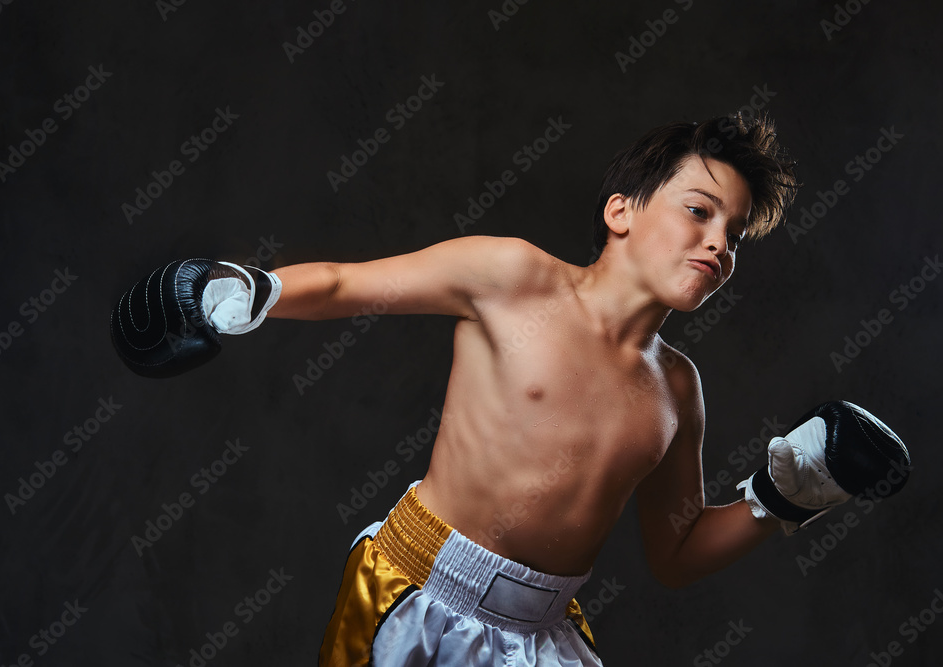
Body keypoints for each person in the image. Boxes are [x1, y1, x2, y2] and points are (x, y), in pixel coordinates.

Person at [110, 113, 911, 666]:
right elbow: (349, 282)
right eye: (700, 212)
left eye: (732, 236)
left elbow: (673, 552)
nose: (717, 244)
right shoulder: (513, 275)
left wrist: (787, 494)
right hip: (414, 594)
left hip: (541, 633)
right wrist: (250, 292)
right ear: (621, 211)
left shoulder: (677, 387)